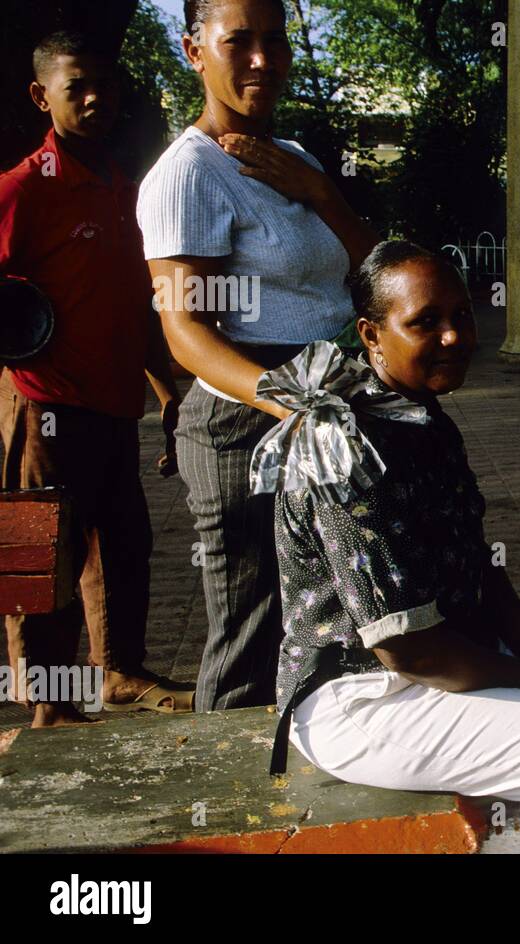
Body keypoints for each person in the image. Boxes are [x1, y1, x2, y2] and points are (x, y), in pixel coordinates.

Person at [267, 241, 520, 854]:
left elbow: (477, 562)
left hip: (449, 645)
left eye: (463, 316)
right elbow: (403, 647)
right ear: (371, 335)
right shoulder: (342, 446)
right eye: (425, 322)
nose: (455, 336)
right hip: (362, 696)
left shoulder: (419, 413)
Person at [136, 0, 376, 711]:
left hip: (327, 408)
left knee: (341, 621)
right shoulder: (188, 173)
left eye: (275, 41)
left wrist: (321, 193)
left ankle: (319, 798)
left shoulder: (295, 159)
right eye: (238, 41)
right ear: (193, 50)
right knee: (251, 637)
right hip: (247, 422)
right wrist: (287, 405)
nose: (263, 60)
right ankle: (224, 809)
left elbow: (373, 274)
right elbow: (186, 334)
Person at [0, 32, 191, 726]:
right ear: (40, 94)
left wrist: (169, 395)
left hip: (114, 405)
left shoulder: (124, 190)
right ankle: (48, 702)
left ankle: (119, 672)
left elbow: (138, 305)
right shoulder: (21, 190)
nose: (93, 98)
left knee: (122, 544)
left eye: (105, 86)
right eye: (75, 85)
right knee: (39, 548)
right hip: (41, 405)